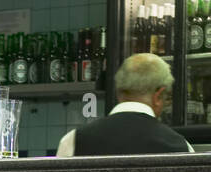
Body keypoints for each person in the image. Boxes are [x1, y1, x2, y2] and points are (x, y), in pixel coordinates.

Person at [55, 53, 193, 157]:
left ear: (118, 91)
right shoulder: (181, 147)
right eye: (166, 98)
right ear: (158, 96)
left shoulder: (73, 141)